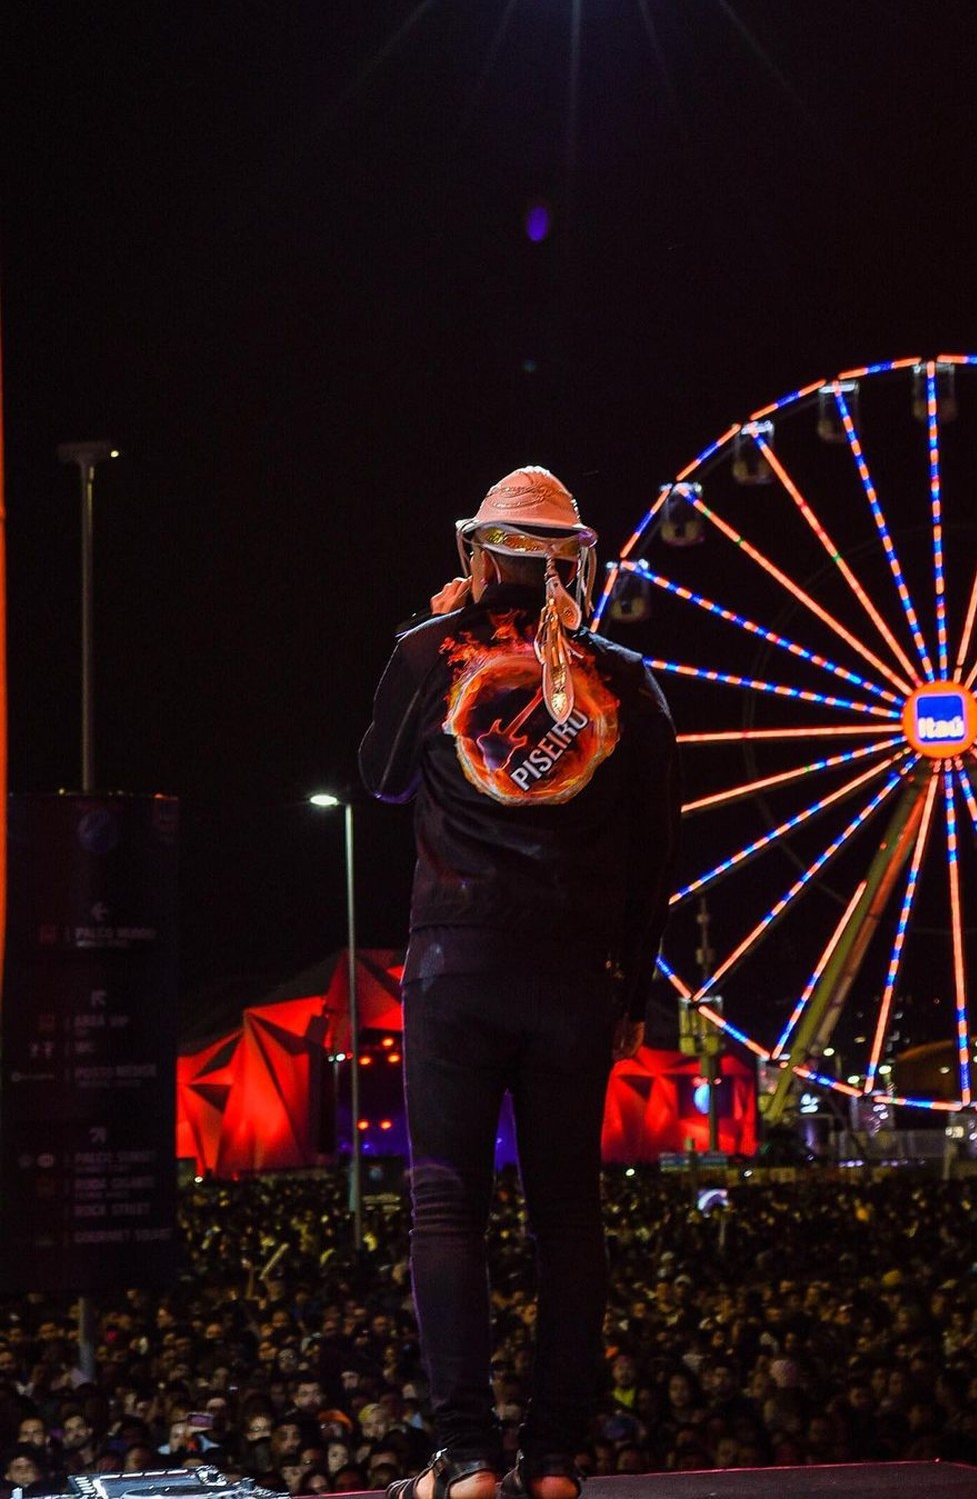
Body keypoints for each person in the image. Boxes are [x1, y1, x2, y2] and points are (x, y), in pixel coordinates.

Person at [360, 466, 679, 1499]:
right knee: (567, 1215)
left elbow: (382, 776)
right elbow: (655, 854)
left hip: (457, 962)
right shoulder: (628, 680)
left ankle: (467, 1455)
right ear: (574, 560)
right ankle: (552, 1458)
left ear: (479, 552)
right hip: (576, 974)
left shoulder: (426, 653)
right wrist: (632, 992)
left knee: (447, 1207)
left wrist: (435, 632)